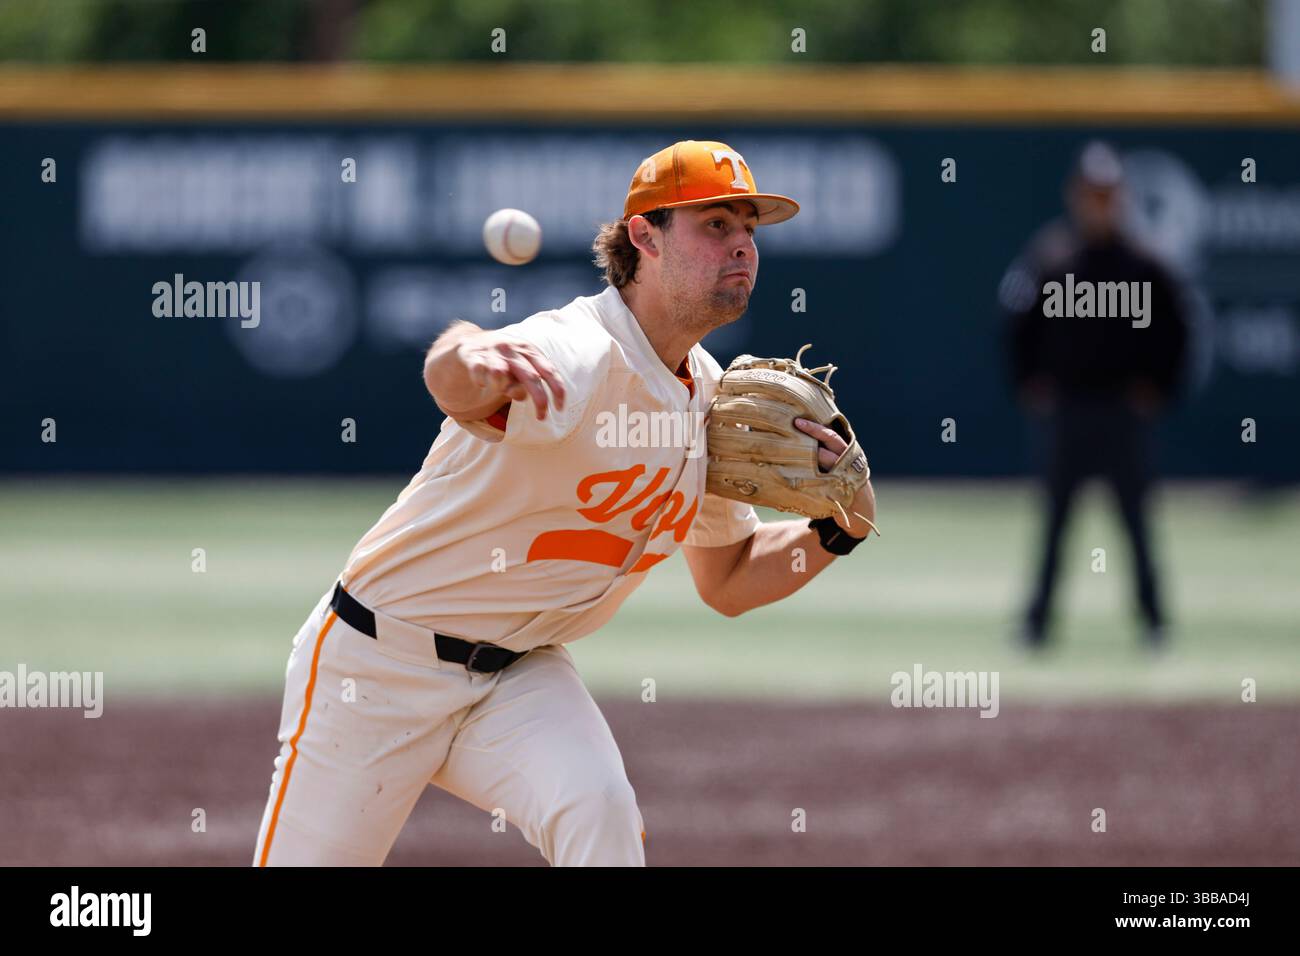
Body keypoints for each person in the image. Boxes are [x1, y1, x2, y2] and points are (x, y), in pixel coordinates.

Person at [253, 140, 878, 866]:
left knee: (601, 816)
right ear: (644, 235)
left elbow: (730, 580)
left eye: (749, 229)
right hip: (376, 668)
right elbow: (452, 380)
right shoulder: (578, 351)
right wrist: (466, 352)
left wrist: (835, 533)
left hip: (517, 674)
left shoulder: (709, 395)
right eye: (715, 225)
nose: (742, 245)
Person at [1000, 141, 1189, 651]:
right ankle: (1037, 625)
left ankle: (1154, 624)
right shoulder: (1052, 257)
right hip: (1070, 411)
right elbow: (1016, 325)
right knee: (1057, 523)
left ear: (1121, 195)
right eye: (1093, 193)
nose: (1101, 202)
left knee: (1136, 523)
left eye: (1109, 193)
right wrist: (1029, 384)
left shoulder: (1146, 264)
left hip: (1122, 413)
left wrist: (1160, 389)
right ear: (1077, 195)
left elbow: (1178, 333)